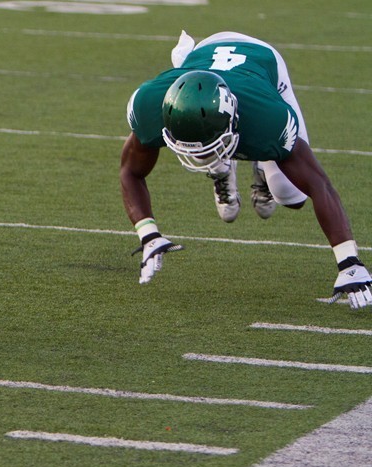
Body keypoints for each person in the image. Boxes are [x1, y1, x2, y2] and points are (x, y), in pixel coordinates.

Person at [120, 30, 372, 309]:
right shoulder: (150, 104)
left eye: (208, 148)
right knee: (211, 151)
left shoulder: (266, 119)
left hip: (261, 66)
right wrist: (149, 235)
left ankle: (264, 163)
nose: (196, 155)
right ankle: (221, 167)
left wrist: (349, 261)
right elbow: (131, 171)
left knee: (290, 195)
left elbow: (318, 184)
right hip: (203, 59)